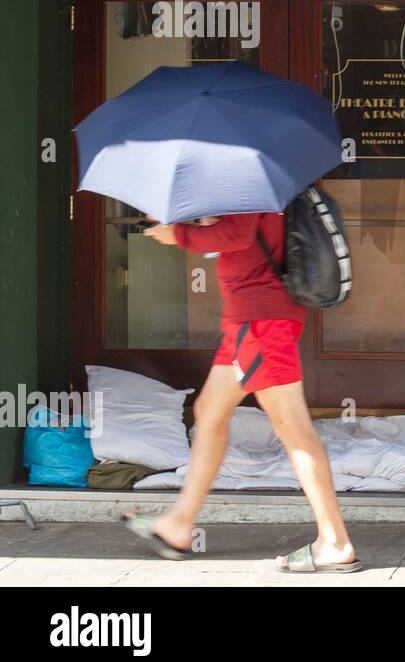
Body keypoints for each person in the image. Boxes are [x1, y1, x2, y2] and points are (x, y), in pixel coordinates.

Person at [121, 212, 361, 573]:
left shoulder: (245, 177)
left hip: (260, 322)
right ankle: (179, 524)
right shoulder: (248, 180)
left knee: (294, 430)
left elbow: (238, 234)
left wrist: (180, 235)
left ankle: (335, 542)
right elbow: (239, 230)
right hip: (247, 320)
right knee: (209, 411)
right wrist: (192, 222)